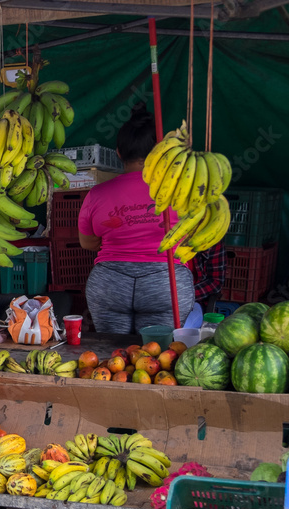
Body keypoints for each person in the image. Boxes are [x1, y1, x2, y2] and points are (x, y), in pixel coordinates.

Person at [78, 104, 195, 335]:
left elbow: (87, 243)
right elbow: (191, 239)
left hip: (109, 284)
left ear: (119, 152)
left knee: (112, 360)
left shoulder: (97, 194)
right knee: (159, 358)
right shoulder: (180, 192)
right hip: (165, 283)